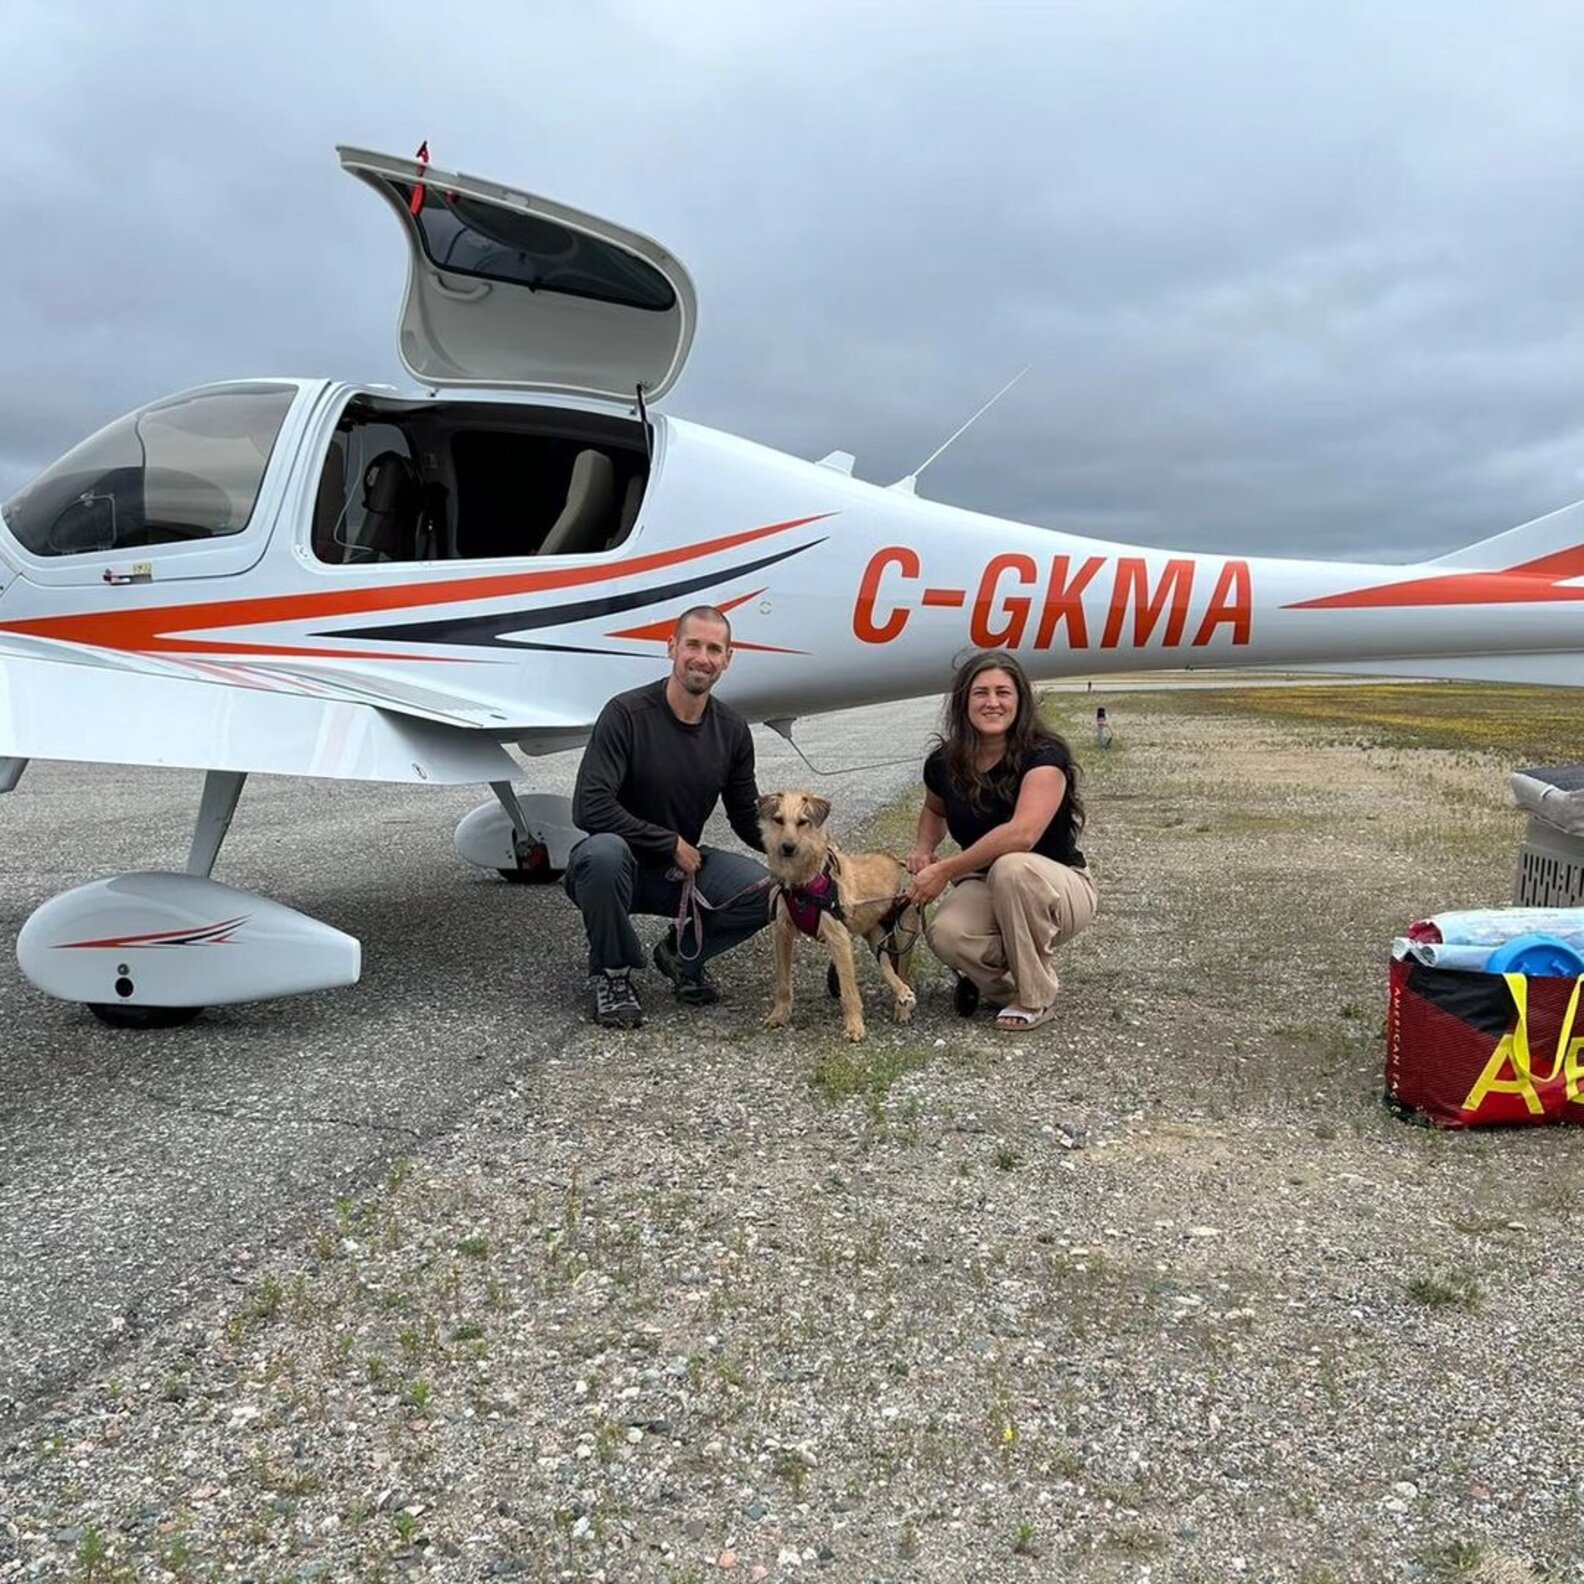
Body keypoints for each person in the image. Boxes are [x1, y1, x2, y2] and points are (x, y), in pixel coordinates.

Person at [565, 606, 769, 1028]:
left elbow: (746, 818)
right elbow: (589, 806)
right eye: (693, 644)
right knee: (603, 852)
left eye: (715, 649)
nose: (703, 657)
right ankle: (613, 975)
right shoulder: (625, 714)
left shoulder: (732, 730)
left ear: (727, 659)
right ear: (672, 647)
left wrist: (803, 852)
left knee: (768, 891)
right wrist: (669, 842)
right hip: (613, 870)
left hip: (678, 876)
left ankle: (681, 954)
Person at [905, 650, 1096, 1032]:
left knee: (1011, 866)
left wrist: (945, 870)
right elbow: (934, 810)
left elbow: (1022, 835)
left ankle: (1035, 998)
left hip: (1057, 884)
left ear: (1020, 700)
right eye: (981, 693)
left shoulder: (1044, 755)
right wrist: (925, 849)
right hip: (986, 883)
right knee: (946, 934)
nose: (992, 702)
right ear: (963, 702)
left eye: (1003, 693)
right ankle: (1010, 985)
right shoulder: (943, 761)